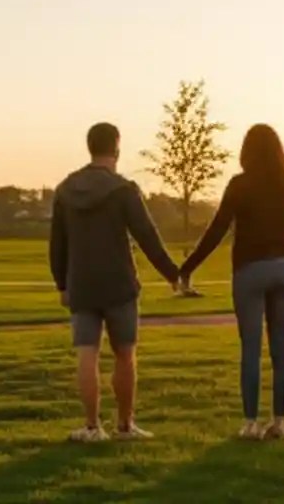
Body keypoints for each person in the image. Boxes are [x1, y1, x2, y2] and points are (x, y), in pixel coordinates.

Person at [50, 122, 180, 443]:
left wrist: (61, 285)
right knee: (125, 354)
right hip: (119, 284)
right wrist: (173, 274)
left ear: (89, 146)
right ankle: (124, 426)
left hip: (81, 284)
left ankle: (92, 427)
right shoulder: (123, 190)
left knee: (86, 354)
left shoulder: (65, 190)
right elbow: (146, 235)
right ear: (117, 149)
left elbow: (57, 243)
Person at [179, 124, 284, 441]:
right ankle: (280, 422)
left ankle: (250, 423)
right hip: (283, 267)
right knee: (281, 351)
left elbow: (217, 229)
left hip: (250, 268)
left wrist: (187, 267)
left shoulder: (240, 185)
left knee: (251, 349)